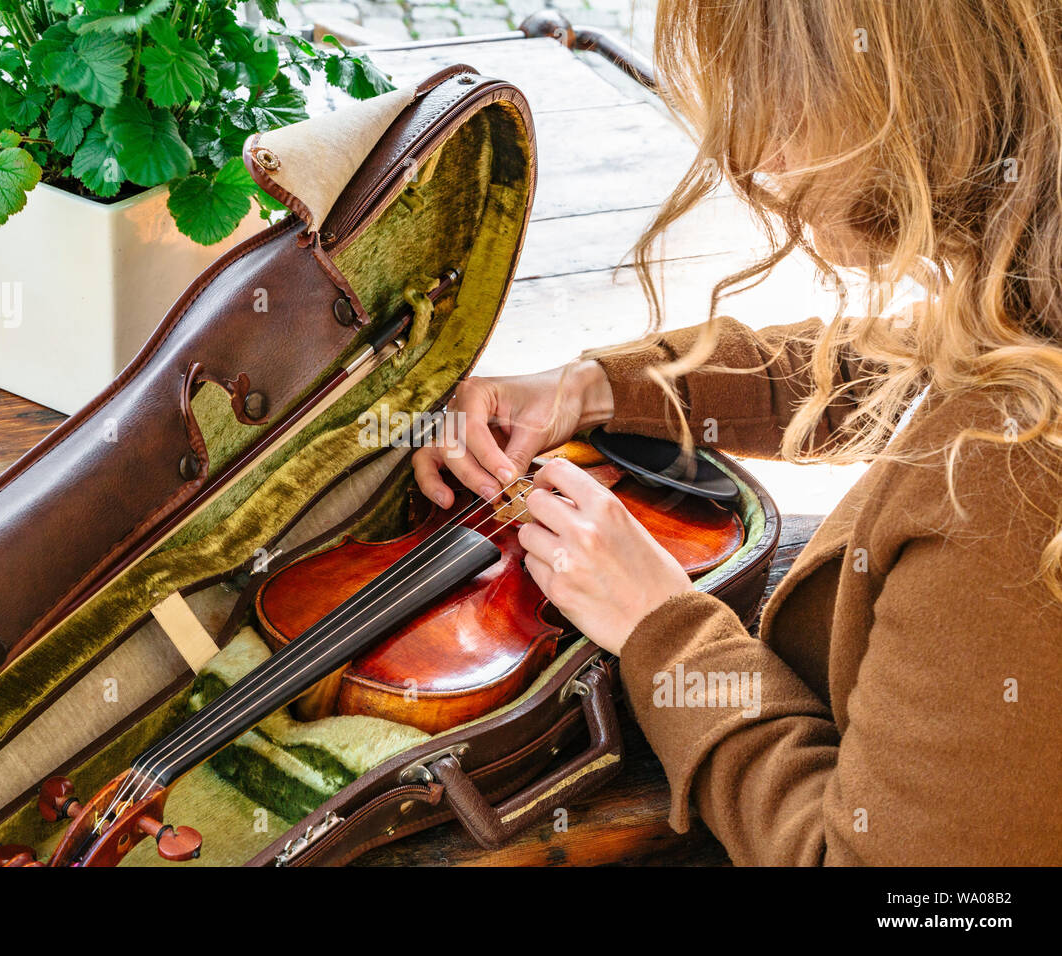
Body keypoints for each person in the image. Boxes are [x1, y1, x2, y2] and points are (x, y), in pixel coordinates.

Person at [412, 0, 1062, 864]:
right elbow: (900, 369)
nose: (753, 157)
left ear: (922, 99)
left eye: (784, 101)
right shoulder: (1034, 290)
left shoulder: (1009, 487)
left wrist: (662, 625)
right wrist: (597, 388)